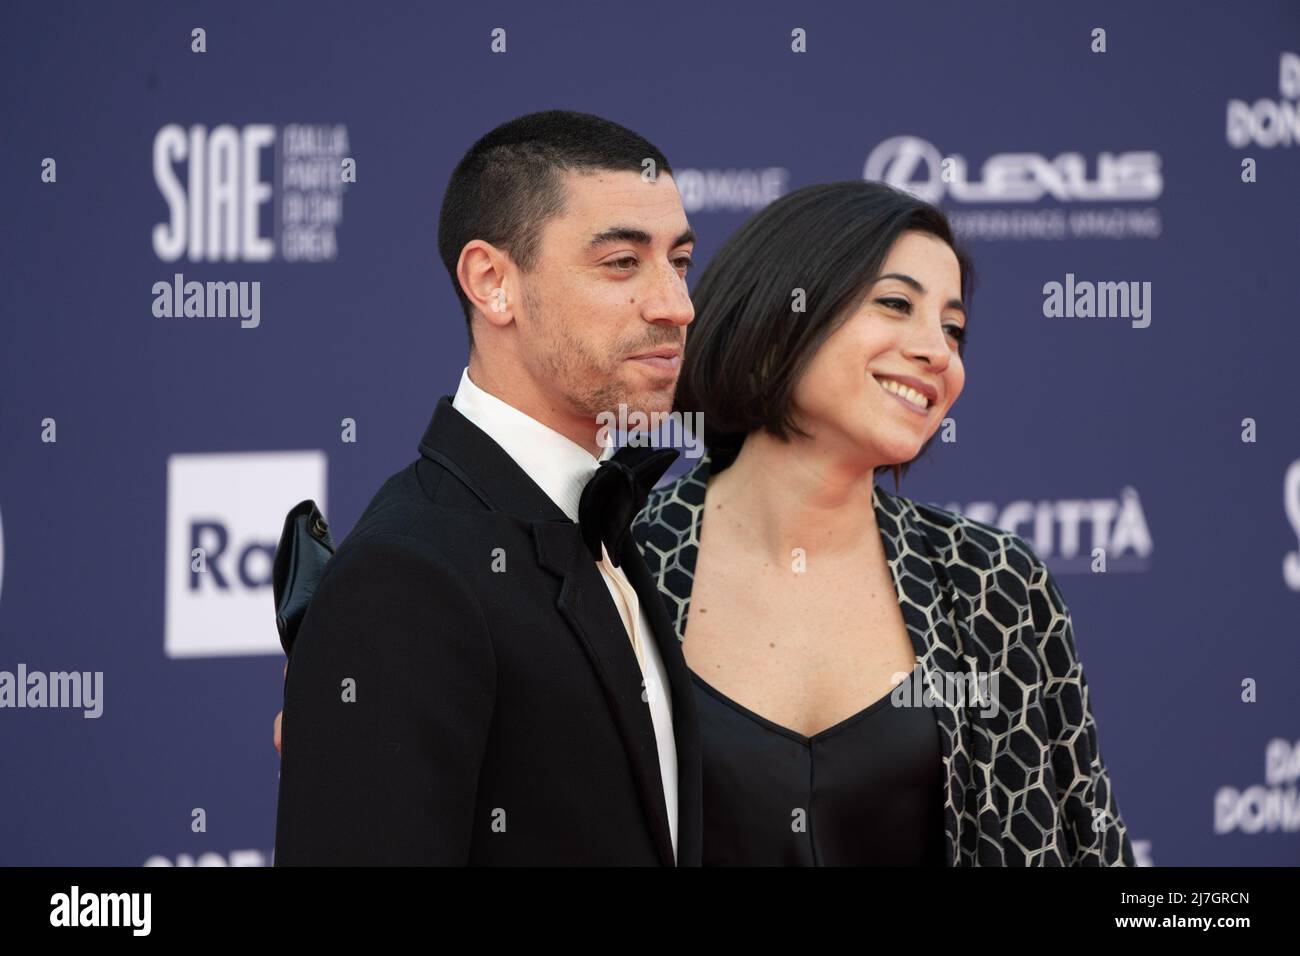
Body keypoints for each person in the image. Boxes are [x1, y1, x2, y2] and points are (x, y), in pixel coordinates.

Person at [634, 181, 1136, 865]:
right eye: (896, 304)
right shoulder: (620, 562)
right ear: (779, 312)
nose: (938, 352)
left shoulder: (994, 585)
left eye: (954, 330)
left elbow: (1091, 846)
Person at [273, 110, 701, 865]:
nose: (675, 305)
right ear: (492, 282)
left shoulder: (607, 528)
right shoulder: (404, 576)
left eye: (680, 262)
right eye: (622, 264)